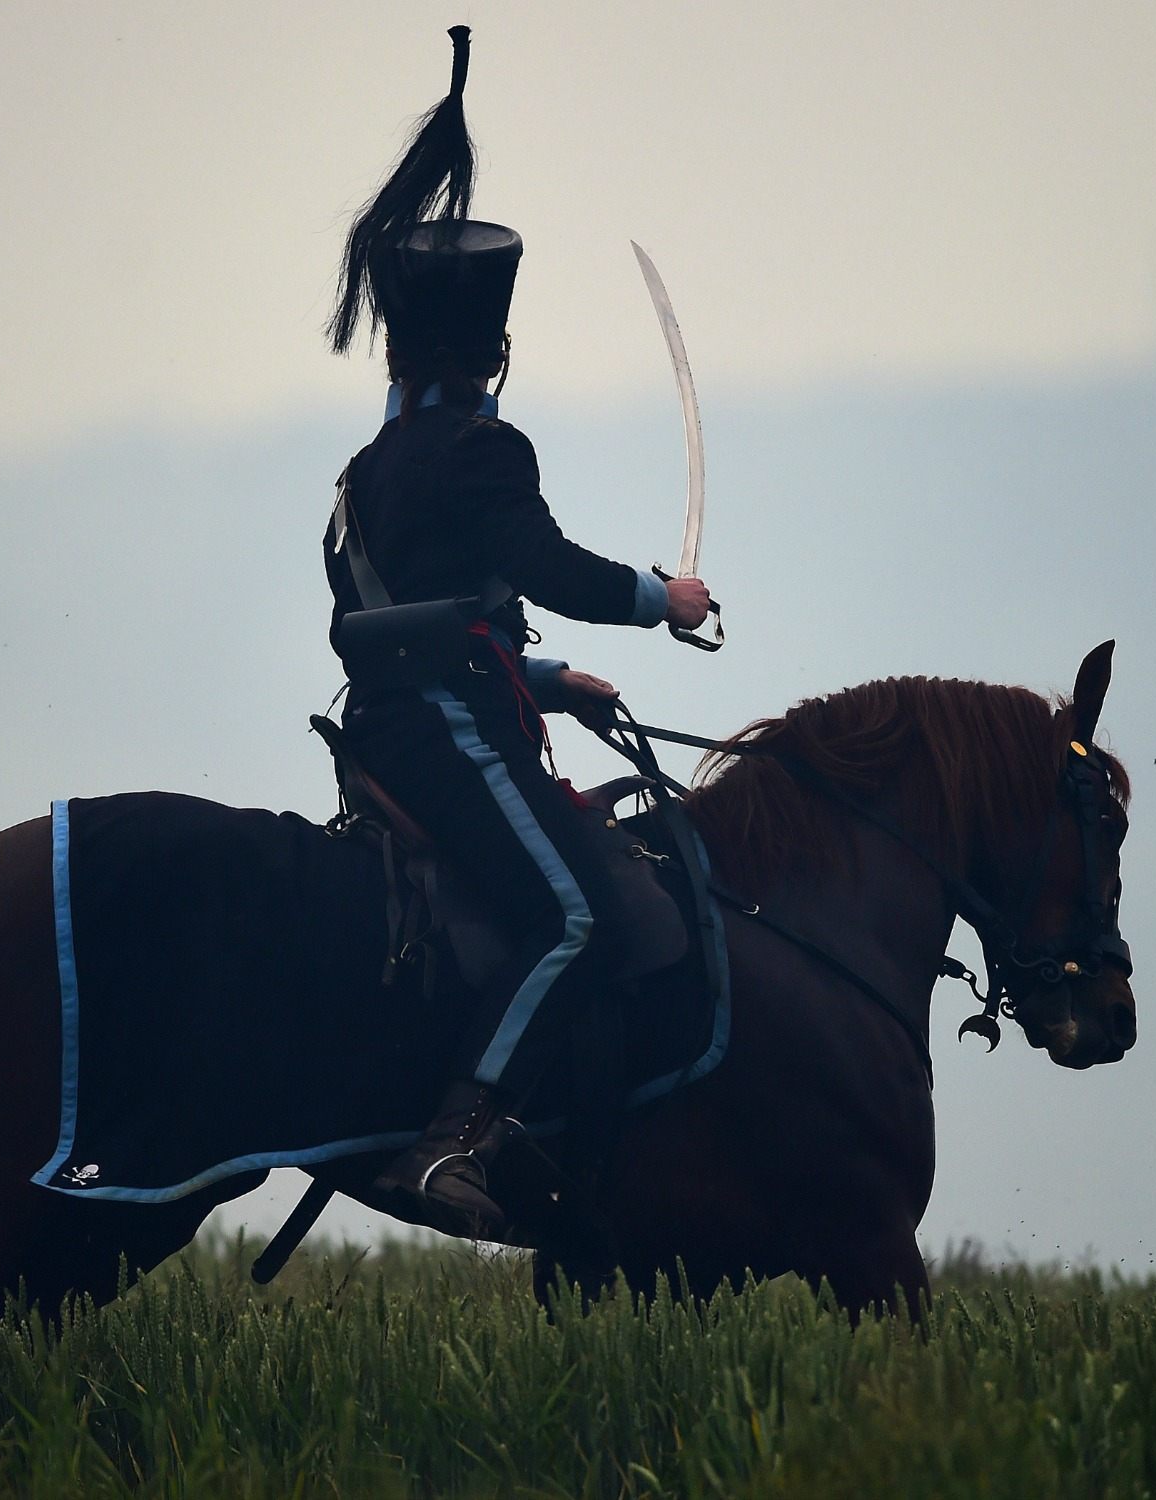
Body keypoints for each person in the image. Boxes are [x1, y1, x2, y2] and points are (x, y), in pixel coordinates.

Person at [322, 26, 713, 1240]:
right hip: (450, 735)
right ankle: (457, 1138)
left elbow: (404, 623)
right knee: (577, 918)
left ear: (397, 347)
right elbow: (547, 568)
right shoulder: (487, 450)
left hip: (400, 724)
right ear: (492, 349)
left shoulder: (367, 466)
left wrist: (542, 679)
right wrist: (661, 599)